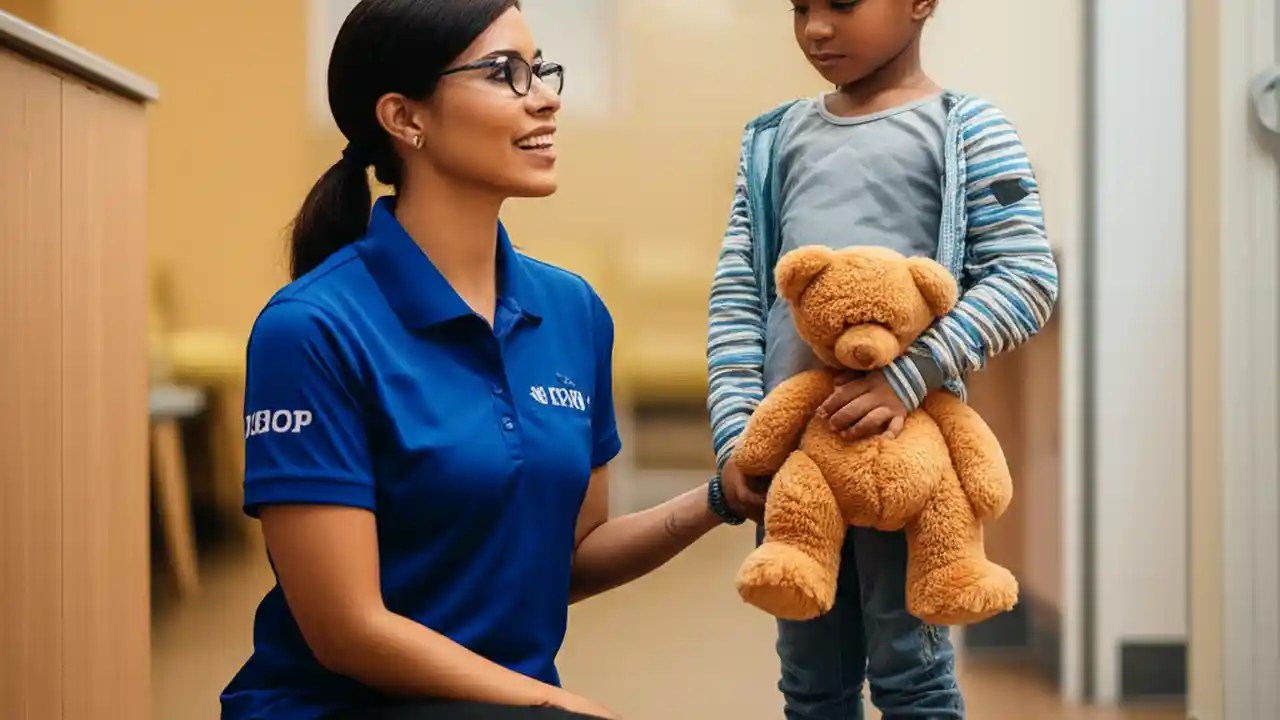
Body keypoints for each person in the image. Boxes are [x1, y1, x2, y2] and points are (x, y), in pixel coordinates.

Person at [220, 2, 730, 719]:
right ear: (405, 119)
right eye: (504, 73)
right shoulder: (310, 329)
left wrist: (722, 498)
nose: (547, 95)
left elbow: (569, 556)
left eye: (541, 69)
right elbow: (346, 631)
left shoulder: (573, 311)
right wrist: (557, 705)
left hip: (500, 705)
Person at [703, 1, 1060, 718]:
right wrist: (737, 430)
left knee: (912, 678)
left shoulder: (968, 128)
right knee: (810, 684)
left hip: (913, 465)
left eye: (840, 4)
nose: (815, 29)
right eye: (800, 8)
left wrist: (907, 376)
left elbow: (1026, 277)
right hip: (802, 459)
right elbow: (740, 293)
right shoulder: (773, 141)